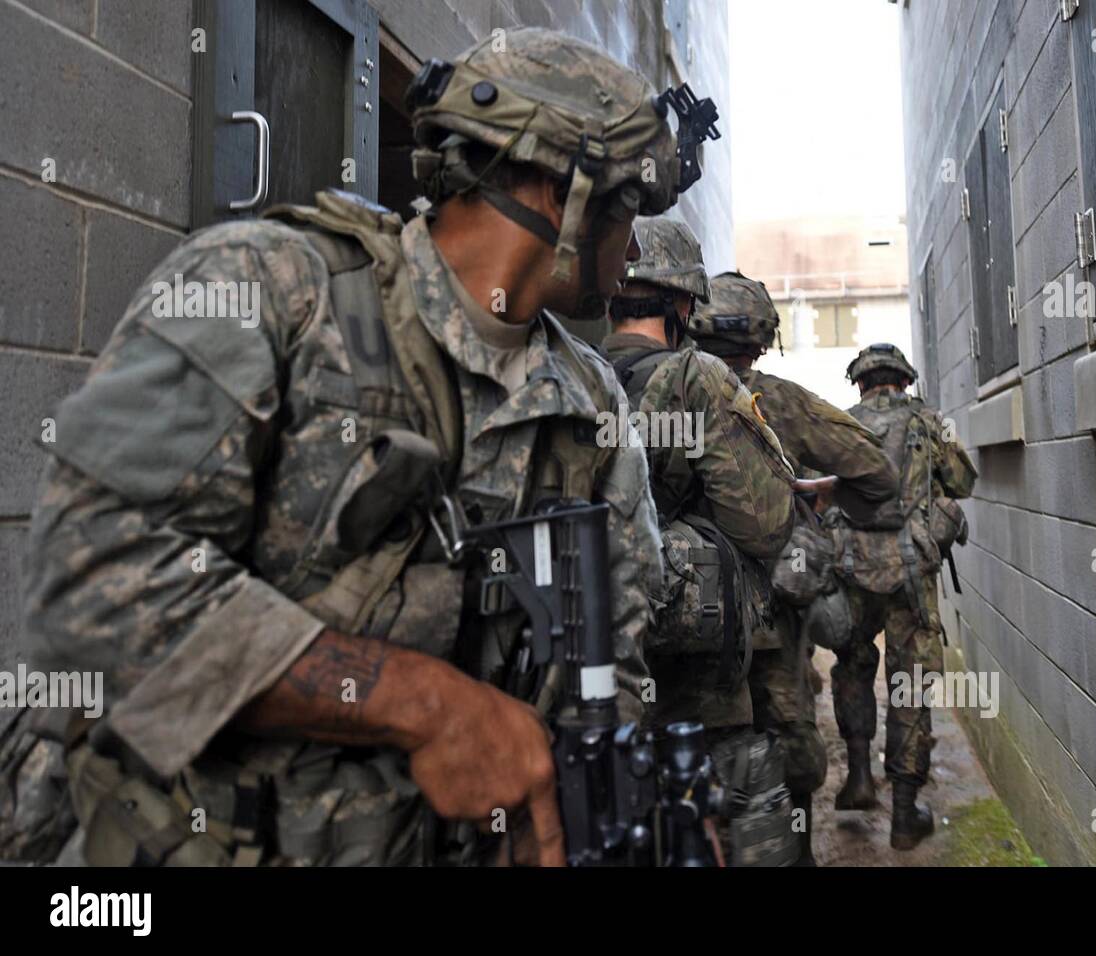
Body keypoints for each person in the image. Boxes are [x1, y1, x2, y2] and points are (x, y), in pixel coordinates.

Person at [20, 27, 717, 867]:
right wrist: (425, 704)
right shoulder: (272, 287)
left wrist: (614, 809)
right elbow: (91, 583)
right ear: (557, 190)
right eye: (628, 210)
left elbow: (612, 662)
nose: (634, 248)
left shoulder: (591, 401)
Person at [600, 217, 801, 866]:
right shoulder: (698, 379)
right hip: (700, 692)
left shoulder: (565, 374)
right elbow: (767, 522)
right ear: (684, 303)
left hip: (593, 683)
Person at [690, 272, 898, 864]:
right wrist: (822, 494)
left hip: (671, 618)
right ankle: (794, 852)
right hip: (769, 621)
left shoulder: (646, 389)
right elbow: (876, 473)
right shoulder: (778, 400)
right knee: (788, 751)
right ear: (761, 338)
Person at [826, 343, 977, 850]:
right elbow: (963, 481)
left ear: (862, 383)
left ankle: (859, 779)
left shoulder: (840, 423)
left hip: (852, 569)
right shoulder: (929, 421)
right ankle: (906, 813)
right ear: (904, 381)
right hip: (910, 574)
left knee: (852, 666)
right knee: (910, 683)